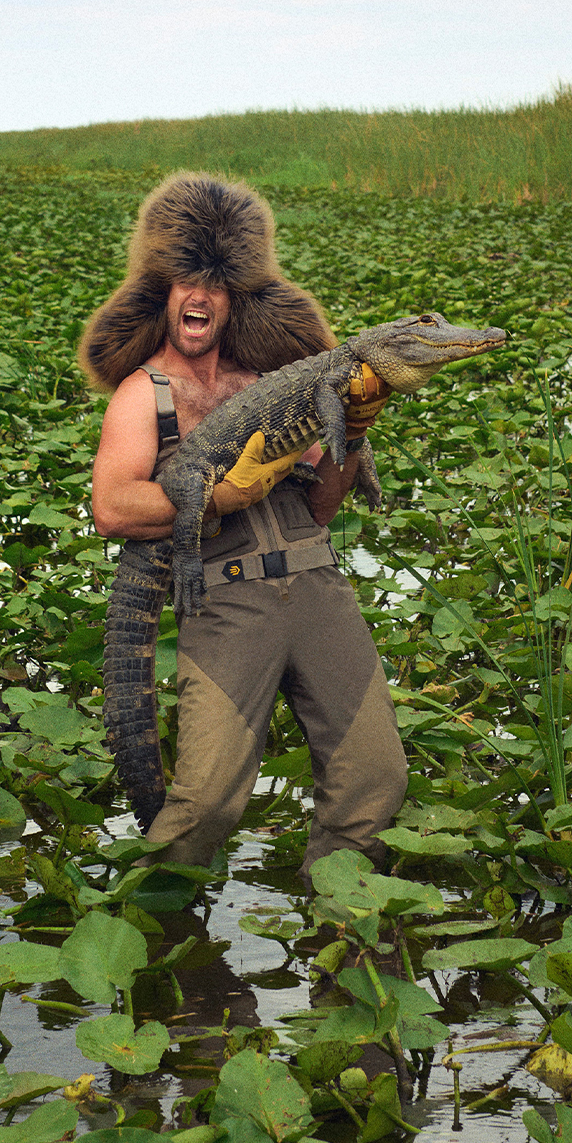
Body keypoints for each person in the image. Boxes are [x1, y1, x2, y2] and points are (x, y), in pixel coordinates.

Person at [82, 171, 407, 877]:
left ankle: (344, 936)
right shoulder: (146, 394)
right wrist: (224, 497)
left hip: (317, 588)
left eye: (215, 285)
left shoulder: (271, 379)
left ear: (234, 299)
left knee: (375, 779)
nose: (198, 296)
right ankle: (155, 937)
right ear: (163, 291)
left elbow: (320, 508)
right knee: (207, 805)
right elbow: (112, 507)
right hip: (226, 603)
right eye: (184, 281)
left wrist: (354, 437)